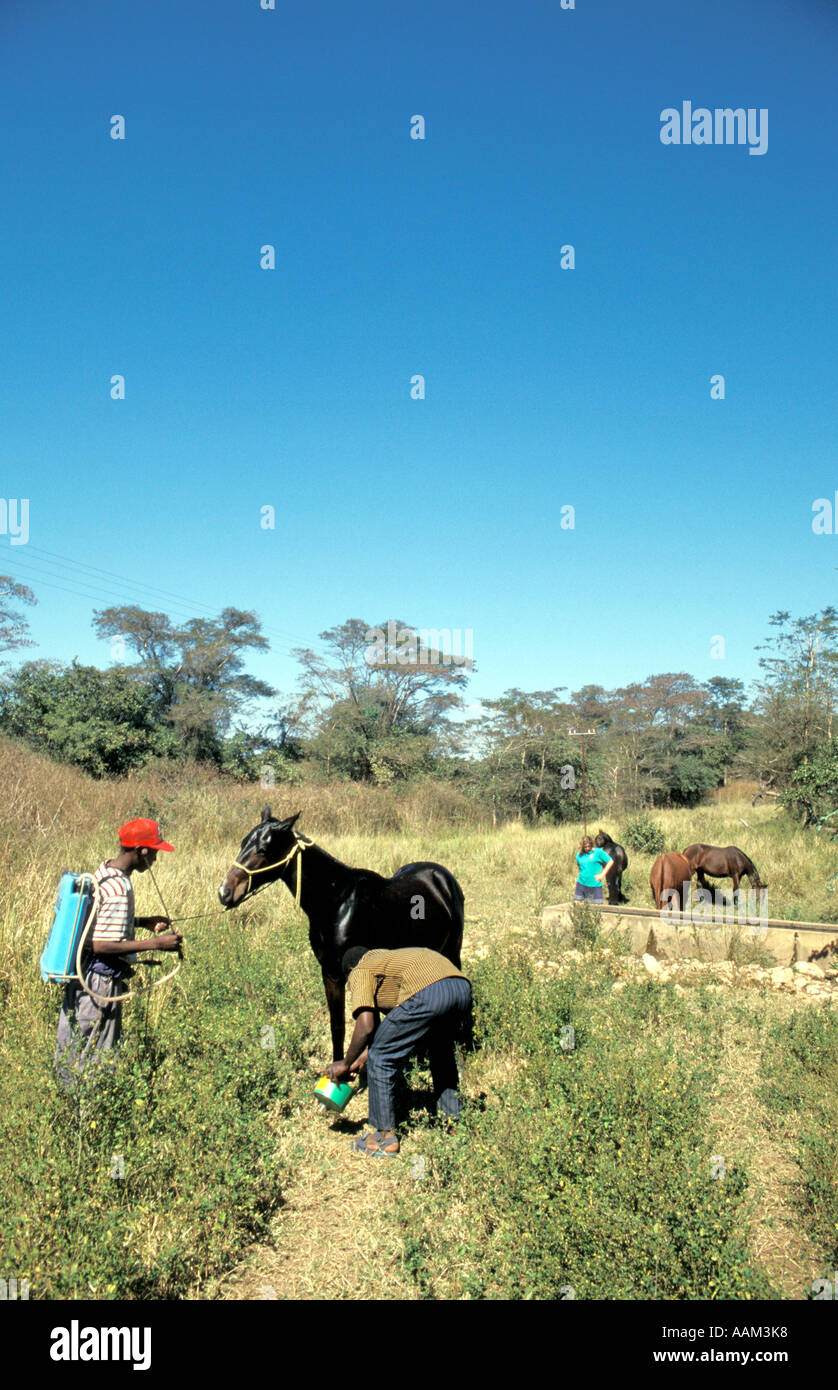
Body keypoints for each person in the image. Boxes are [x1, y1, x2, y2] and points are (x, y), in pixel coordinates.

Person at [54, 818, 182, 1090]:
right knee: (96, 1059)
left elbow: (96, 924)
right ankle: (87, 1121)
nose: (157, 857)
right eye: (155, 851)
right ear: (142, 851)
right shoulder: (121, 888)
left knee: (71, 1052)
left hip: (81, 975)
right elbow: (100, 944)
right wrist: (157, 944)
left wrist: (141, 922)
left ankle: (68, 1113)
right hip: (99, 983)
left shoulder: (103, 872)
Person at [324, 945, 472, 1157]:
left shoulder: (361, 969)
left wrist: (345, 1063)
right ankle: (453, 1123)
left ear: (349, 969)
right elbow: (395, 1034)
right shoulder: (388, 963)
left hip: (428, 992)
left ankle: (385, 1139)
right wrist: (360, 1059)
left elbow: (366, 1026)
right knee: (441, 1051)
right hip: (460, 987)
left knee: (381, 1058)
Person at [573, 834, 613, 904]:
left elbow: (610, 861)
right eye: (585, 847)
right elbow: (579, 867)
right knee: (577, 905)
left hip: (595, 885)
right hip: (581, 884)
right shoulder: (579, 855)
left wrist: (602, 874)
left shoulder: (598, 852)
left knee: (596, 910)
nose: (588, 848)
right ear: (582, 846)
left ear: (592, 844)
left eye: (589, 846)